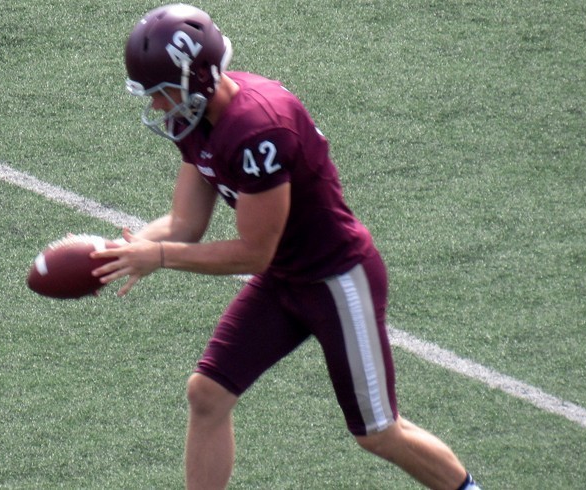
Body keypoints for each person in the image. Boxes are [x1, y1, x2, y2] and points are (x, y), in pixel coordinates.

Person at [90, 4, 481, 490]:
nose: (155, 107)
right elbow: (185, 222)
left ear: (198, 79)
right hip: (286, 278)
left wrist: (160, 257)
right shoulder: (195, 118)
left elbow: (255, 252)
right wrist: (117, 251)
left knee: (379, 433)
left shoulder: (258, 129)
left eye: (161, 92)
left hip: (336, 279)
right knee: (207, 394)